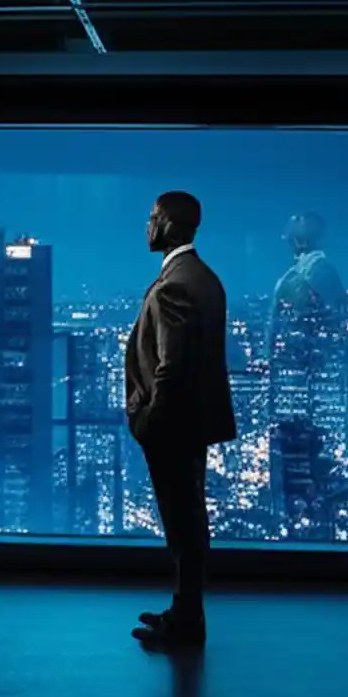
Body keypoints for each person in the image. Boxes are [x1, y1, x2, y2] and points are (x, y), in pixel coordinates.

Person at [125, 191, 236, 646]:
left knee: (182, 523)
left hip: (173, 425)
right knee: (188, 518)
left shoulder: (175, 283)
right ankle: (185, 609)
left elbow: (170, 365)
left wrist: (150, 419)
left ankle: (187, 621)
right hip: (192, 422)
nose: (147, 225)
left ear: (170, 224)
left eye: (152, 216)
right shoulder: (204, 278)